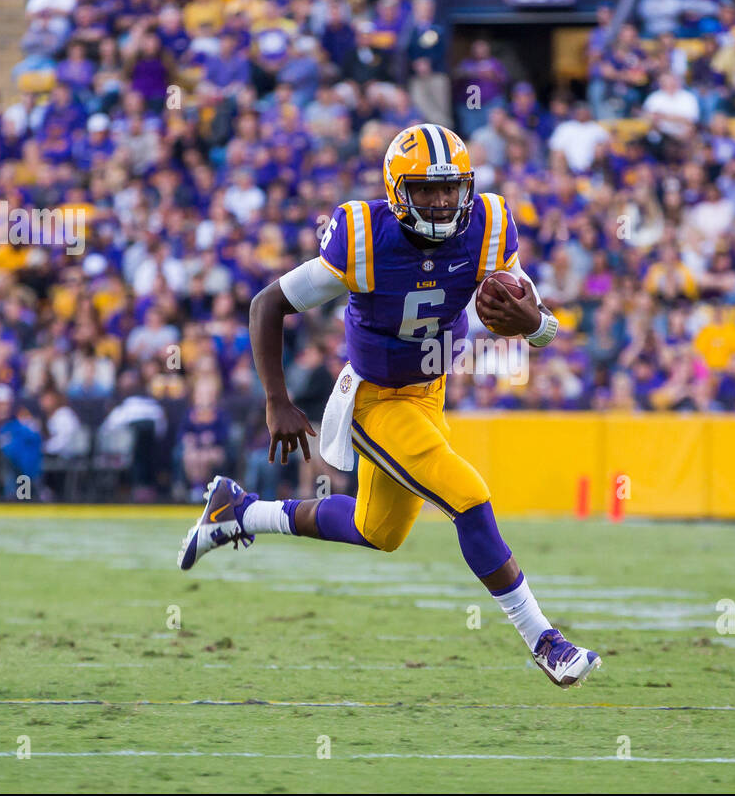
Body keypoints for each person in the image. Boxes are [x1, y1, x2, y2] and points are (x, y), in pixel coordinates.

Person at [176, 123, 600, 688]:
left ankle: (239, 511)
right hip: (375, 399)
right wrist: (276, 401)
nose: (441, 200)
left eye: (450, 188)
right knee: (467, 495)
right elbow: (265, 305)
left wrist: (537, 327)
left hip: (429, 392)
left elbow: (537, 317)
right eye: (425, 188)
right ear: (398, 190)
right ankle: (545, 639)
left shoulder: (490, 224)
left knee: (378, 530)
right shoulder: (361, 235)